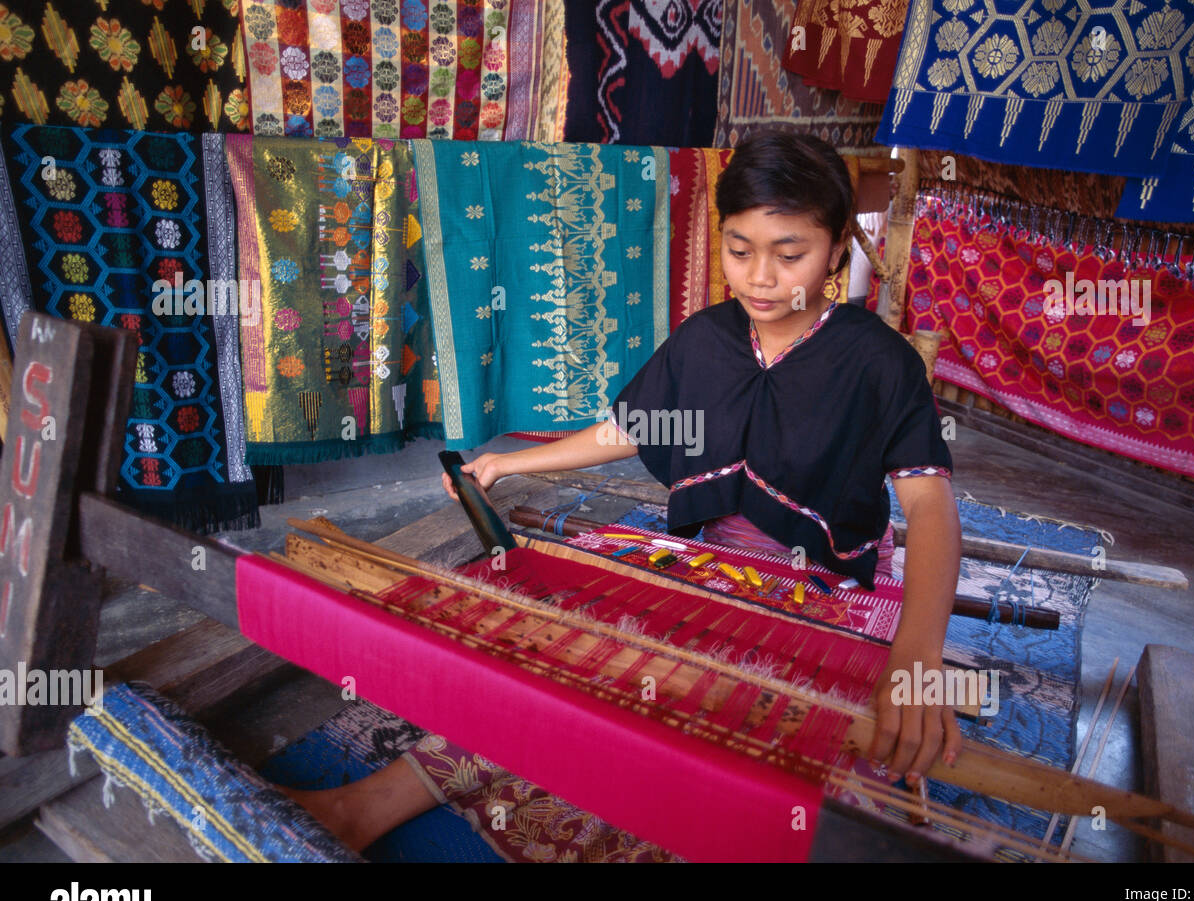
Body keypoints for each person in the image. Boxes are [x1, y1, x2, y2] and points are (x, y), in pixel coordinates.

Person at [287, 132, 962, 856]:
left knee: (781, 761)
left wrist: (916, 654)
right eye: (740, 249)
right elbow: (631, 428)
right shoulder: (707, 340)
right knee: (565, 656)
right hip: (712, 571)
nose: (761, 277)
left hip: (825, 593)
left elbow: (929, 508)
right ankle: (359, 809)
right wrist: (511, 465)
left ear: (835, 252)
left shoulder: (877, 362)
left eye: (789, 254)